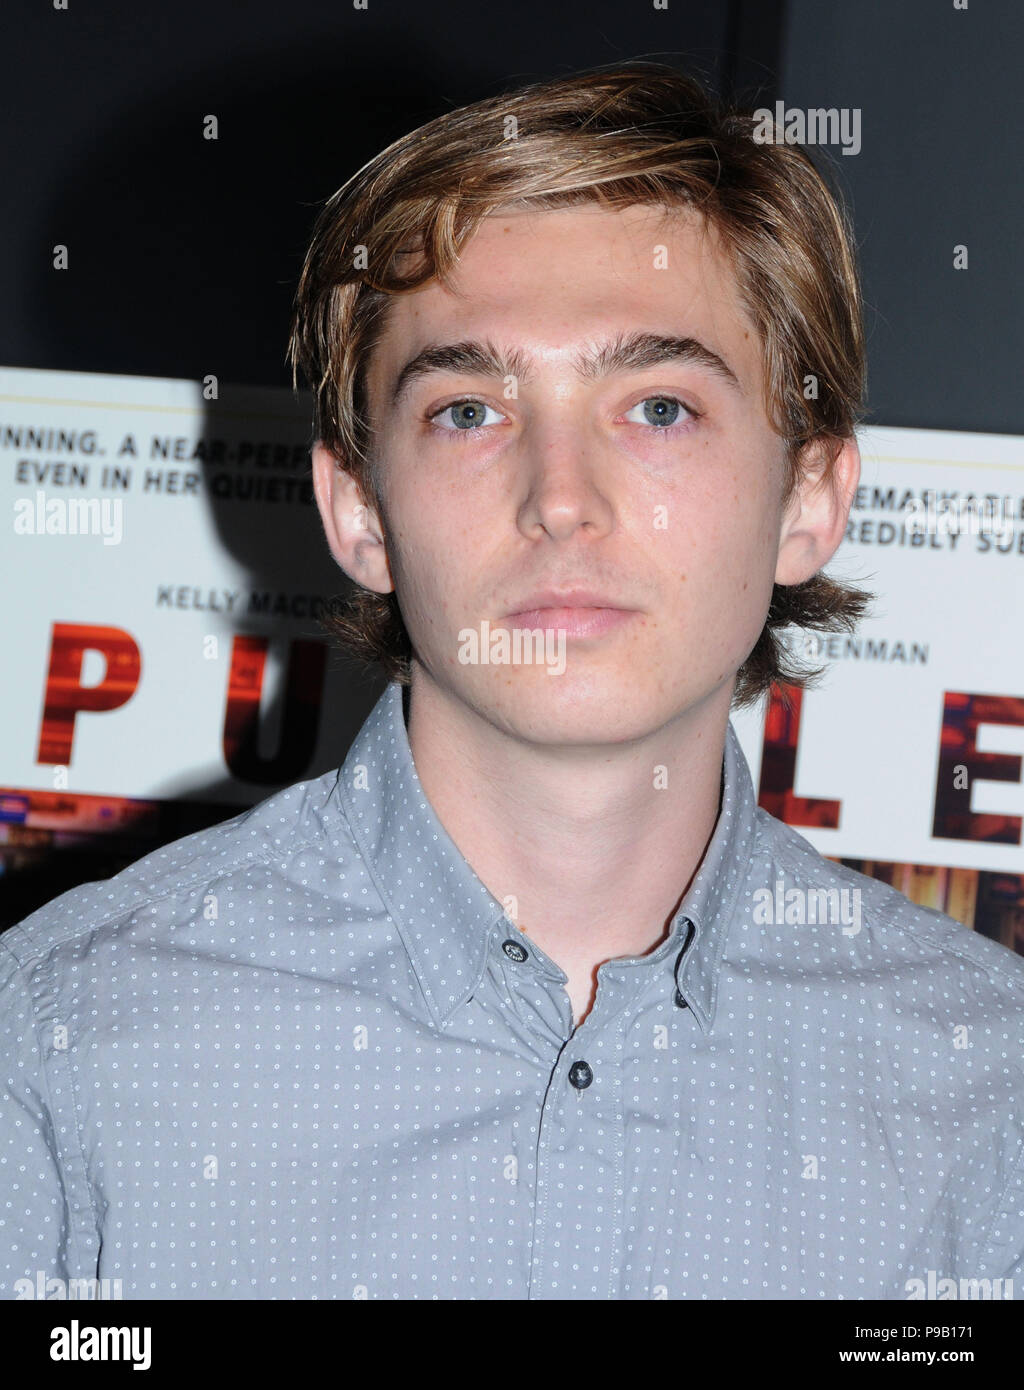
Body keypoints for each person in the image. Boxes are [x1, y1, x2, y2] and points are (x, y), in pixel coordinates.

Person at [2, 63, 1021, 1302]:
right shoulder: (60, 1045)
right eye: (469, 411)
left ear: (808, 500)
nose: (559, 501)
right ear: (358, 511)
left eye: (656, 406)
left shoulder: (988, 1092)